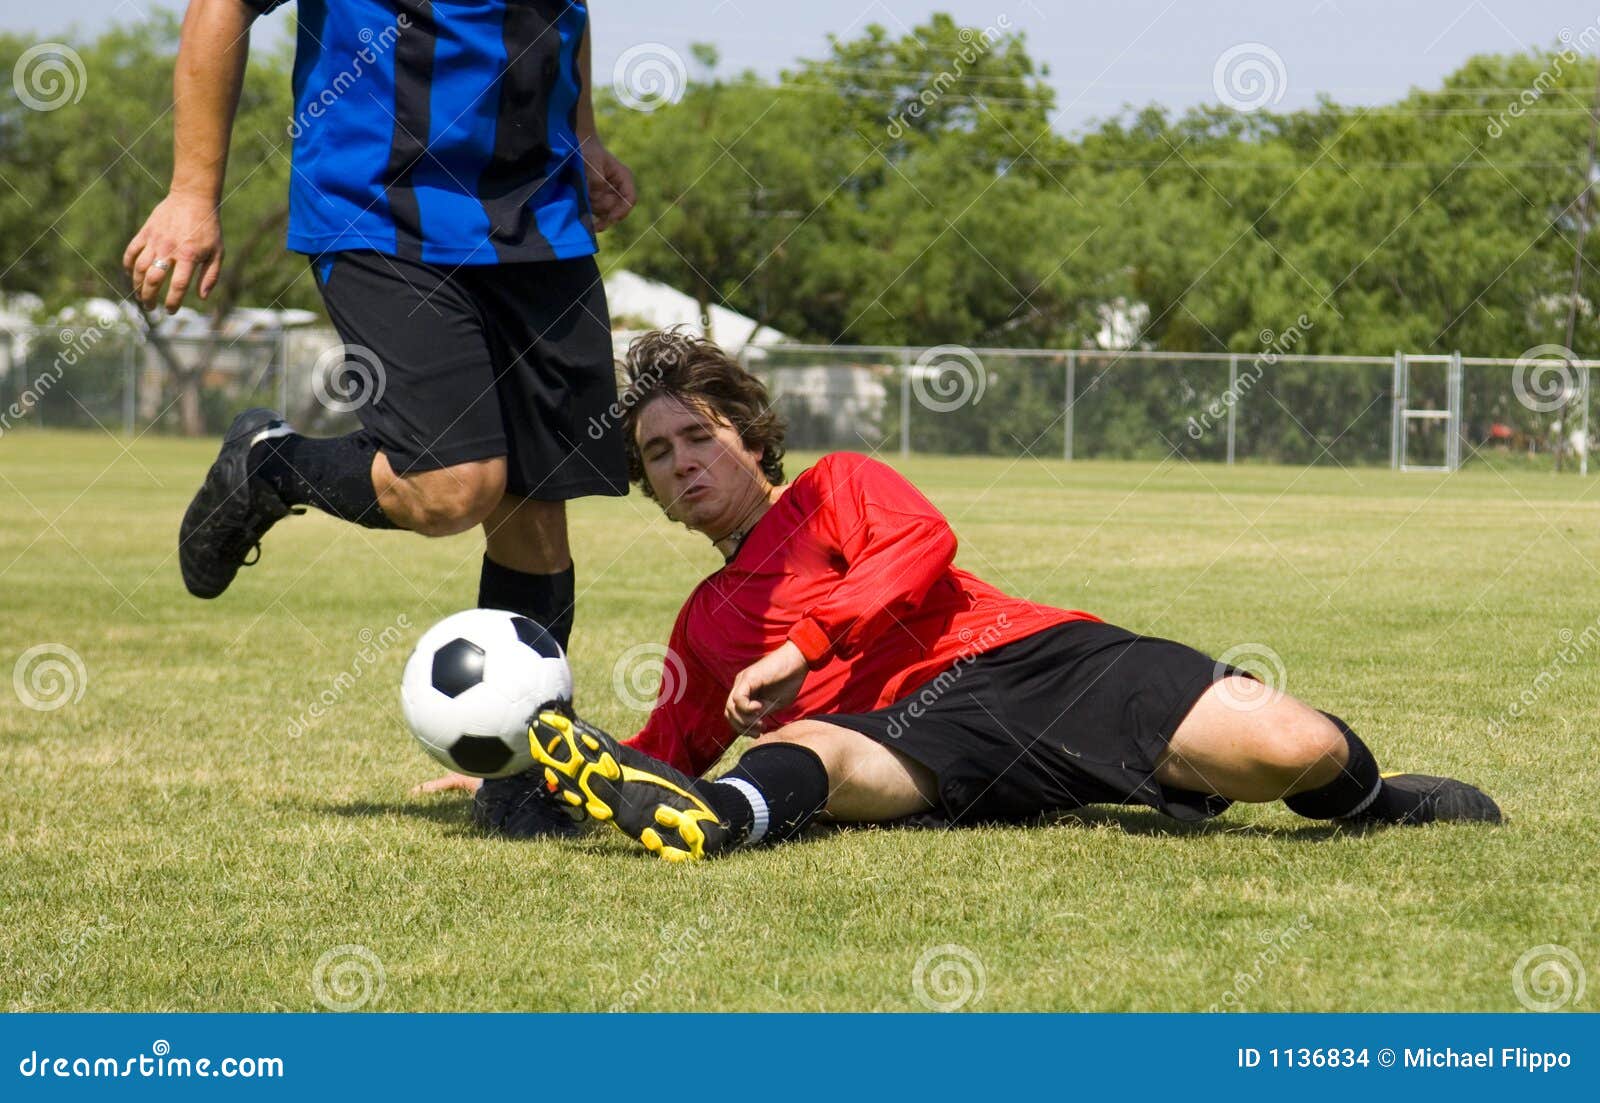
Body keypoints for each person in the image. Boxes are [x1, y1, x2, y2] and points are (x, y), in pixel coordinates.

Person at [424, 330, 1503, 861]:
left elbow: (921, 550)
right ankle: (731, 826)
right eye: (657, 457)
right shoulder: (703, 626)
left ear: (750, 437)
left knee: (1288, 747)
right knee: (814, 752)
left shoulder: (842, 484)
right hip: (916, 747)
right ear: (652, 492)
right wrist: (525, 771)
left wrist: (801, 642)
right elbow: (669, 737)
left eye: (697, 436)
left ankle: (1372, 799)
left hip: (1029, 662)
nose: (681, 464)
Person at [123, 0, 637, 837]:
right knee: (451, 487)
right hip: (384, 210)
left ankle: (520, 778)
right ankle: (272, 466)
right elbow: (221, 8)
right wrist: (191, 191)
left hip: (542, 219)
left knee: (538, 512)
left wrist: (581, 134)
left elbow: (562, 15)